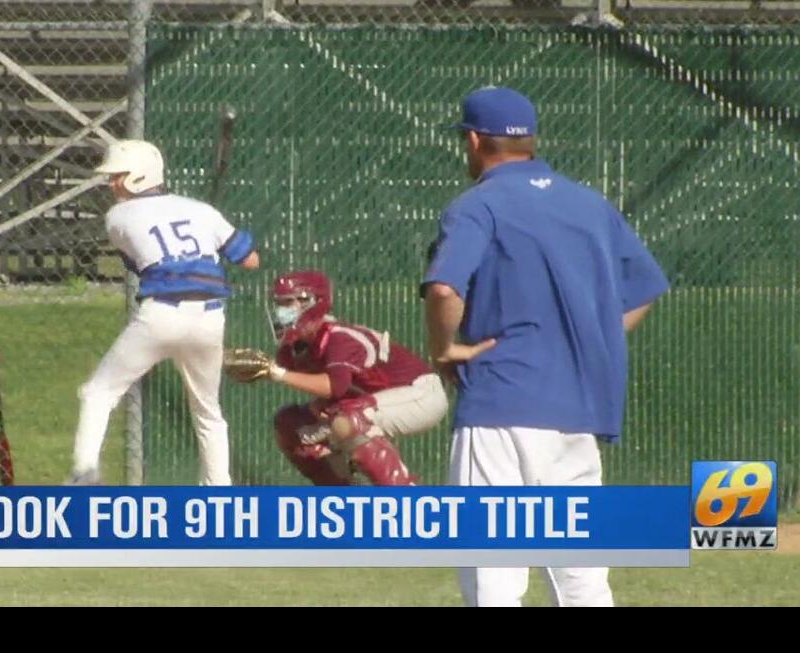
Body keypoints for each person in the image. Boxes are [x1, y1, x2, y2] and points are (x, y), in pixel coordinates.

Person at [422, 86, 670, 607]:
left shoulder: (479, 204)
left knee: (494, 577)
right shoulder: (588, 203)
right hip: (578, 411)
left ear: (473, 141)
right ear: (530, 141)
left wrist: (444, 349)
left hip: (501, 409)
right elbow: (645, 286)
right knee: (582, 579)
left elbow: (444, 289)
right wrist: (592, 336)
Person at [68, 140, 260, 486]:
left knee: (98, 393)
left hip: (162, 316)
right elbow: (250, 260)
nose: (113, 185)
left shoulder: (117, 217)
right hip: (210, 318)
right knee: (208, 413)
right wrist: (213, 230)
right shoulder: (202, 210)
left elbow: (139, 262)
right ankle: (219, 495)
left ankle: (85, 480)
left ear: (140, 176)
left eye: (118, 177)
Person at [226, 270, 447, 485]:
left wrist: (276, 373)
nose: (280, 312)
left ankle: (407, 504)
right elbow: (345, 390)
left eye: (288, 303)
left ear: (313, 303)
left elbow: (336, 386)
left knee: (352, 420)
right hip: (373, 400)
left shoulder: (338, 337)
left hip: (421, 394)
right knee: (291, 426)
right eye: (279, 304)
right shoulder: (293, 350)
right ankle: (342, 498)